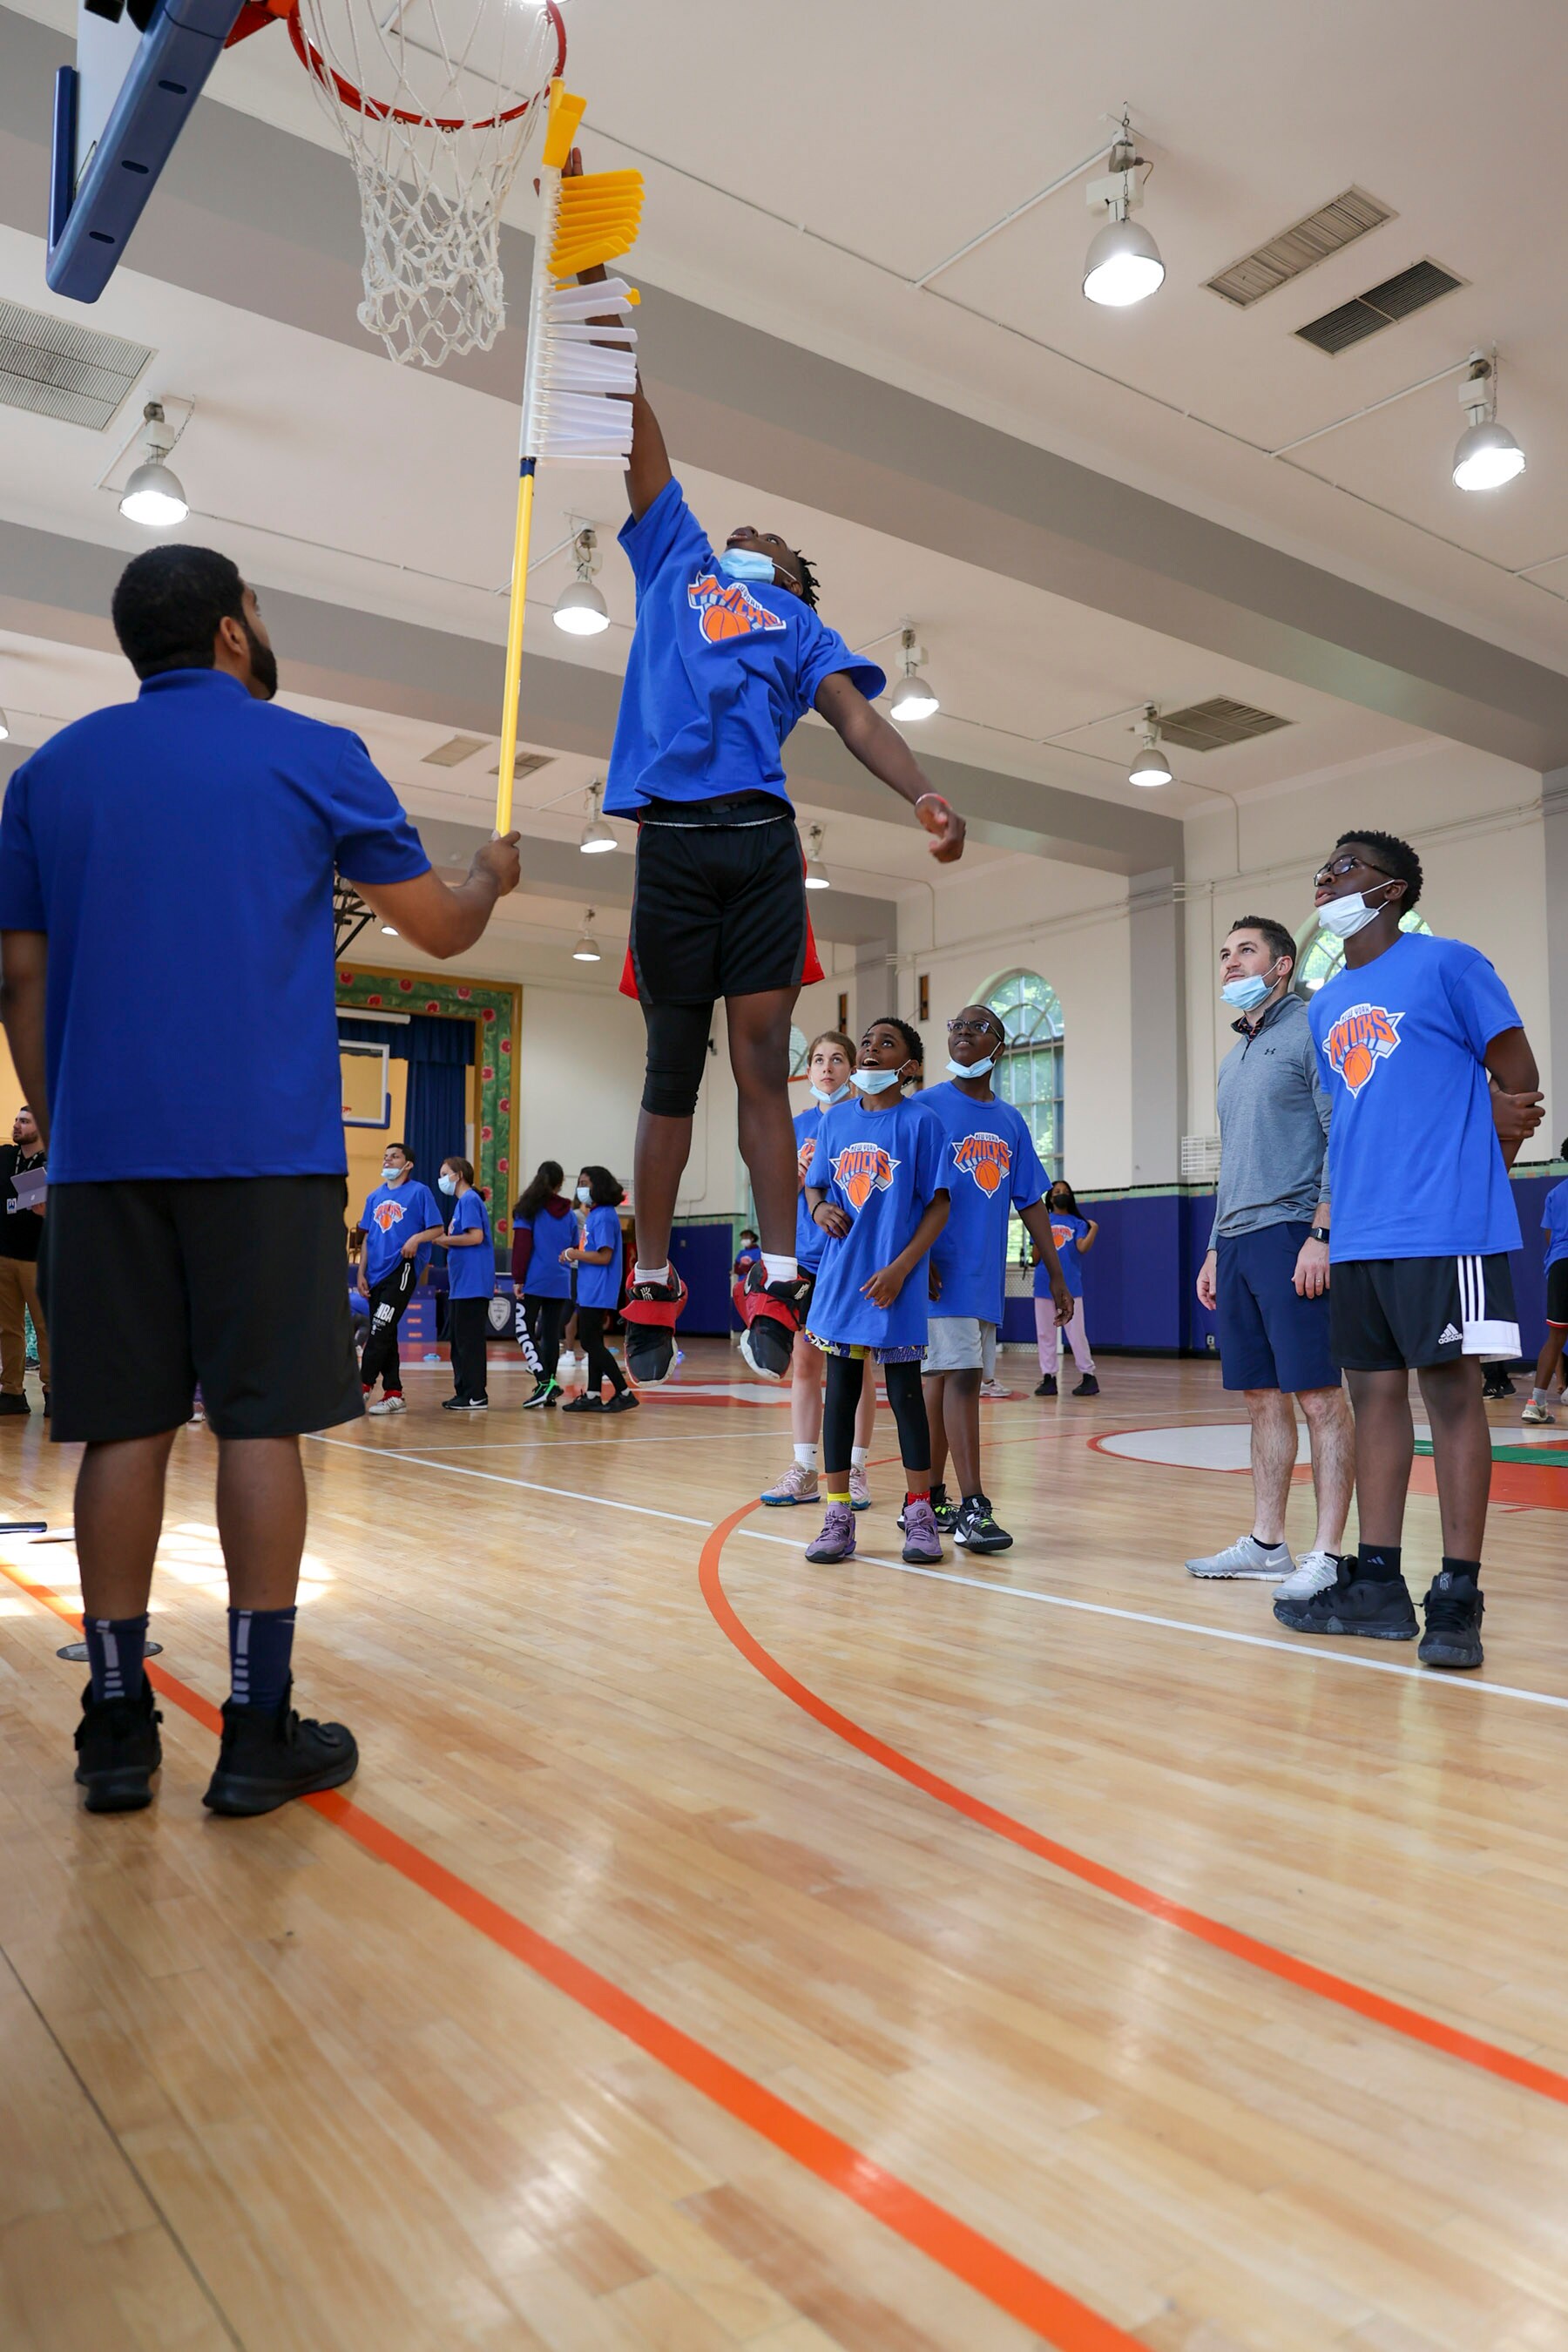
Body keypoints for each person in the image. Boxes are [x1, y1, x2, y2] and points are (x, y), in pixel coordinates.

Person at [0, 542, 519, 1814]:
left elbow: (20, 976)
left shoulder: (47, 776)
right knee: (255, 1425)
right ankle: (255, 1725)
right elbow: (442, 928)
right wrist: (489, 876)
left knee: (119, 1426)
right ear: (234, 632)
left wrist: (71, 1136)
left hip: (106, 1156)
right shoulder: (312, 753)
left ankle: (115, 1726)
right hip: (266, 1153)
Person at [568, 152, 967, 1390]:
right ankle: (648, 1271)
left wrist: (921, 793)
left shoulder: (800, 630)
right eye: (743, 527)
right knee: (667, 1063)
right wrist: (593, 292)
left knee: (760, 1062)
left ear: (791, 574)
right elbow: (638, 432)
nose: (750, 528)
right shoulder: (675, 558)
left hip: (758, 841)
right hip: (675, 841)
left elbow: (857, 724)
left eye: (772, 538)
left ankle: (783, 1274)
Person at [1277, 831, 1540, 1670]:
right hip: (1361, 1230)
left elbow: (1519, 1079)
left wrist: (1477, 1174)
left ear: (1390, 890)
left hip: (1444, 1228)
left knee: (1455, 1399)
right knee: (1374, 1398)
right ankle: (1380, 1585)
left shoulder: (1449, 964)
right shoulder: (1323, 1003)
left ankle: (1458, 1594)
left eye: (1345, 867)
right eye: (1323, 869)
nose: (1328, 879)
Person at [1185, 915, 1354, 1602]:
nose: (1230, 963)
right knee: (1261, 1399)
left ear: (1281, 965)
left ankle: (1330, 1551)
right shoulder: (1234, 1060)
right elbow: (1235, 1165)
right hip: (1239, 1241)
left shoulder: (1311, 1029)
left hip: (1294, 1234)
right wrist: (1213, 1248)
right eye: (1224, 953)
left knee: (1319, 1396)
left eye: (1245, 951)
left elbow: (1338, 1131)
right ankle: (1266, 1543)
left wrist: (1323, 1232)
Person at [920, 1005, 1071, 1551]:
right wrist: (918, 1257)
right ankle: (972, 1506)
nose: (962, 1032)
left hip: (983, 1278)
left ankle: (929, 1498)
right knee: (960, 1381)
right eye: (955, 1025)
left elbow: (1031, 1201)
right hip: (940, 1274)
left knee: (941, 1385)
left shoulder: (1010, 1120)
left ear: (999, 1047)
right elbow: (909, 1192)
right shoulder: (925, 1106)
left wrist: (1055, 1274)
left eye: (976, 1026)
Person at [800, 1018, 949, 1565]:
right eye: (867, 1040)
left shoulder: (922, 1123)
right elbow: (815, 1180)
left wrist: (904, 1268)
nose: (870, 1047)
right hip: (842, 1280)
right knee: (838, 1397)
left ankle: (919, 1513)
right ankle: (837, 1513)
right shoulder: (836, 1121)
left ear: (908, 1067)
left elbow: (939, 1204)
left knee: (906, 1398)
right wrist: (817, 1207)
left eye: (887, 1043)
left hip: (895, 1283)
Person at [760, 1031, 877, 1509]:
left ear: (852, 1068)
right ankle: (805, 1467)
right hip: (806, 1258)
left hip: (853, 1259)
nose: (826, 1067)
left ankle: (855, 1468)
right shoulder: (793, 1127)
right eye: (817, 1060)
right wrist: (796, 1170)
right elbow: (774, 1193)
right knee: (805, 1361)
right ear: (806, 1072)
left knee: (856, 1366)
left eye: (836, 1059)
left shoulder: (867, 1120)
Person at [356, 1139, 443, 1416]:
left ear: (408, 1164)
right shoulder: (374, 1197)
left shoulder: (420, 1192)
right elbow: (367, 1238)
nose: (387, 1160)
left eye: (394, 1157)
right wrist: (360, 1271)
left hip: (402, 1268)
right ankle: (394, 1393)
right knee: (387, 1332)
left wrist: (417, 1238)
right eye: (385, 1156)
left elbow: (437, 1228)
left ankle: (361, 1386)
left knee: (380, 1328)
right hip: (374, 1273)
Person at [561, 1166, 636, 1414]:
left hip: (598, 1287)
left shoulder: (604, 1216)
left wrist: (573, 1253)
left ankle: (623, 1392)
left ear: (599, 1186)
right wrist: (576, 1253)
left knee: (592, 1343)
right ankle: (593, 1394)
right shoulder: (595, 1215)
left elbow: (604, 1256)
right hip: (589, 1287)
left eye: (585, 1182)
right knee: (594, 1342)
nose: (581, 1188)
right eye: (579, 1182)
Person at [431, 1157, 493, 1412]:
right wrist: (443, 1240)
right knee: (459, 1341)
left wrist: (445, 1238)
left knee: (469, 1341)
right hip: (462, 1283)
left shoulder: (469, 1200)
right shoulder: (461, 1204)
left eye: (445, 1173)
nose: (442, 1179)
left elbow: (475, 1237)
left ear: (458, 1175)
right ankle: (464, 1392)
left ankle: (475, 1394)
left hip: (473, 1282)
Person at [511, 1159, 574, 1409]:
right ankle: (548, 1387)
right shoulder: (569, 1213)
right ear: (560, 1184)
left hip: (535, 1279)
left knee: (523, 1329)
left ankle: (544, 1382)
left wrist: (518, 1278)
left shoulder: (528, 1208)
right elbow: (572, 1244)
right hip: (560, 1280)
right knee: (550, 1335)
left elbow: (522, 1246)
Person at [0, 1102, 49, 1416]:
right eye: (16, 1120)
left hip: (39, 1258)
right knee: (8, 1328)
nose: (17, 1125)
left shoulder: (56, 1163)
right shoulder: (5, 1157)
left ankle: (54, 1391)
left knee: (46, 1327)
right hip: (5, 1255)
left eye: (25, 1121)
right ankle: (12, 1391)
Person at [1035, 1179, 1099, 1397]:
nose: (1061, 1194)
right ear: (1050, 1198)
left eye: (1065, 1191)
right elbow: (1035, 1258)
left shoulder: (1077, 1223)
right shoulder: (1042, 1220)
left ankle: (1088, 1375)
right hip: (1044, 1284)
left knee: (1076, 1333)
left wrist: (1094, 1230)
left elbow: (1082, 1247)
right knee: (1046, 1333)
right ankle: (1048, 1377)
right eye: (1057, 1191)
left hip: (1071, 1287)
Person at [1523, 1143, 1568, 1423]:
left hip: (1560, 1265)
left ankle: (1536, 1402)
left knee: (1556, 1336)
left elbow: (1549, 1237)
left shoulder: (1555, 1193)